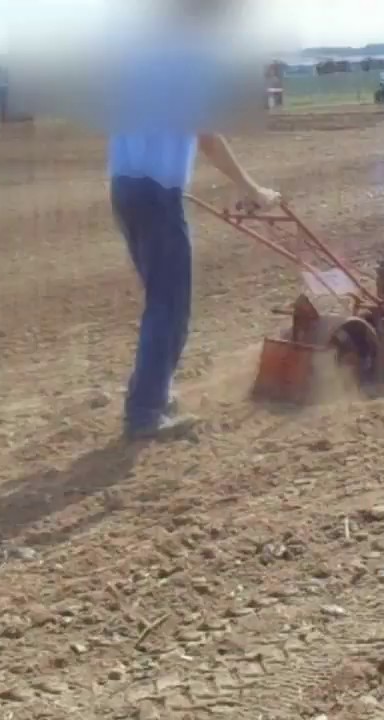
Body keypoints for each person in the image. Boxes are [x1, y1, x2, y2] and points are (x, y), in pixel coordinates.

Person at [107, 0, 281, 442]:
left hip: (125, 188)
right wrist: (250, 188)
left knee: (161, 300)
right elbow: (205, 133)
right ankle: (146, 411)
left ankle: (154, 396)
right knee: (170, 304)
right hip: (155, 193)